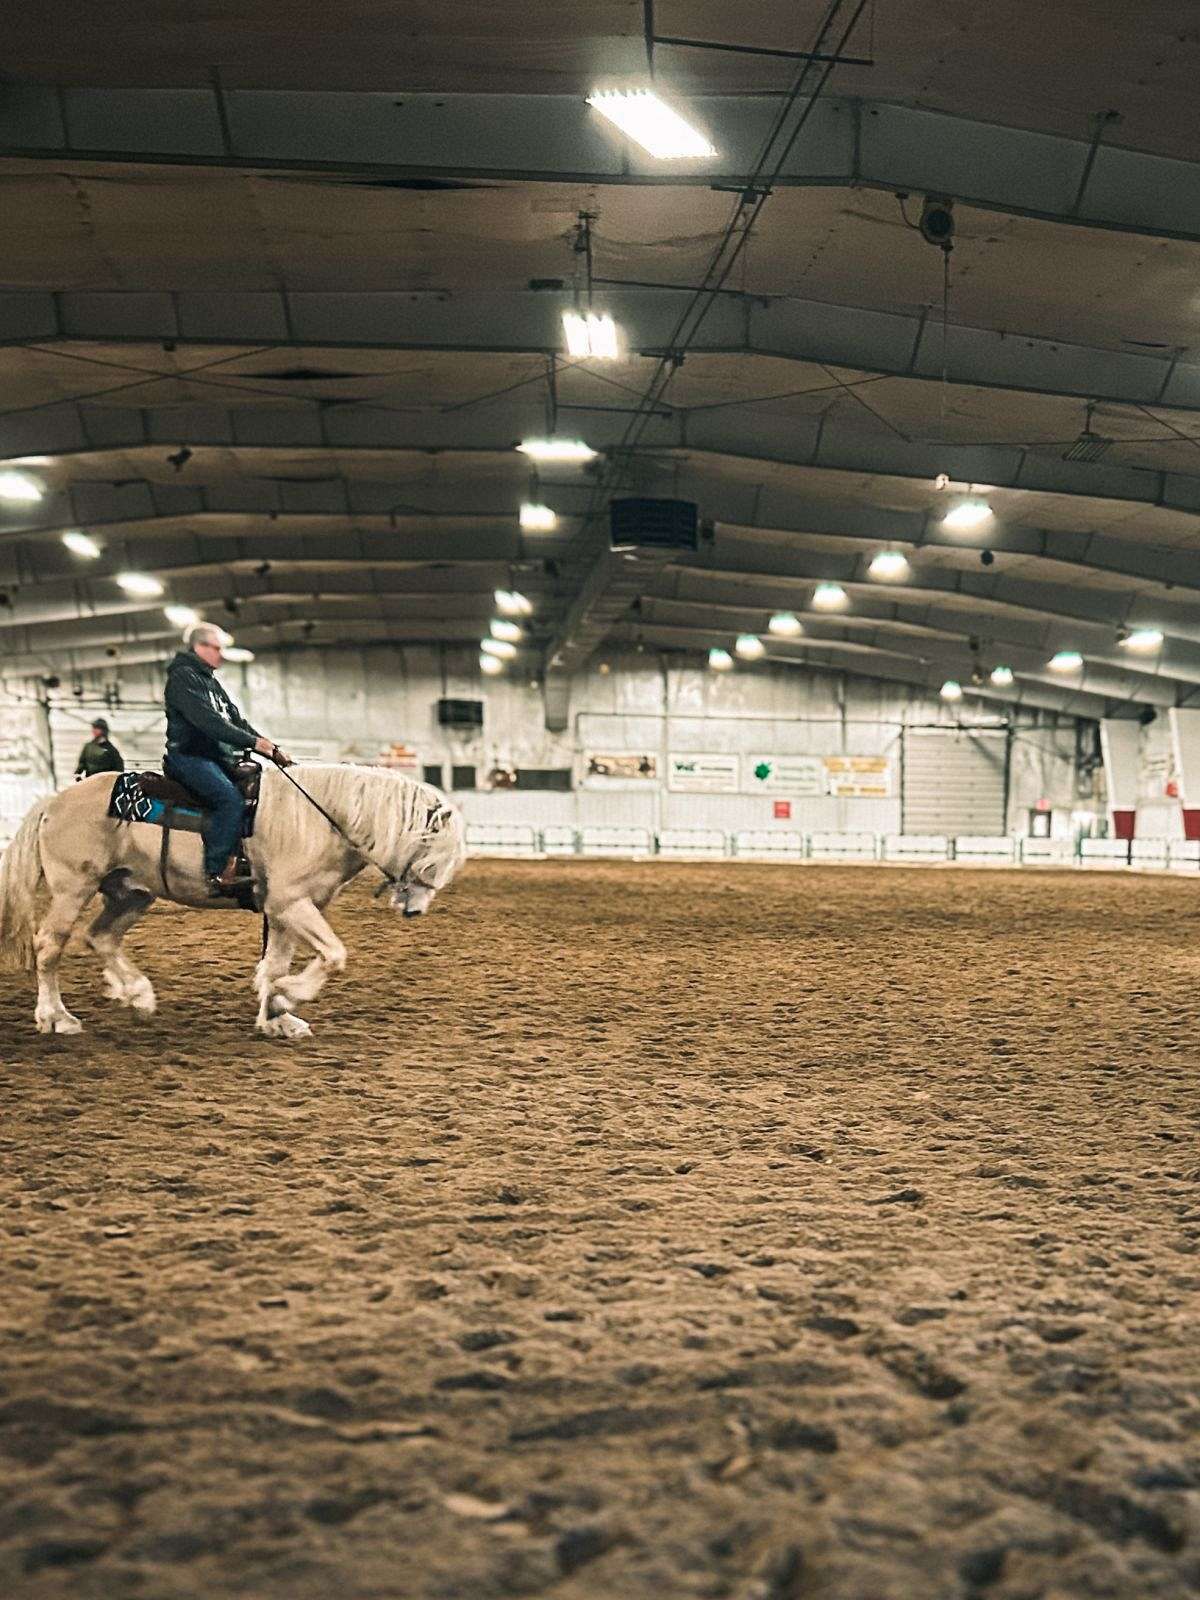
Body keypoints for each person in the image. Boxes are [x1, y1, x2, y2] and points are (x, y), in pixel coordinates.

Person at [164, 623, 293, 898]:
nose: (221, 655)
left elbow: (236, 721)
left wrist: (269, 747)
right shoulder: (183, 678)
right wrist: (255, 744)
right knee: (229, 800)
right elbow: (208, 723)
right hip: (190, 757)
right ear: (200, 647)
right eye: (217, 648)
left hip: (214, 758)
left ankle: (246, 857)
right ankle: (216, 871)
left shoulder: (210, 681)